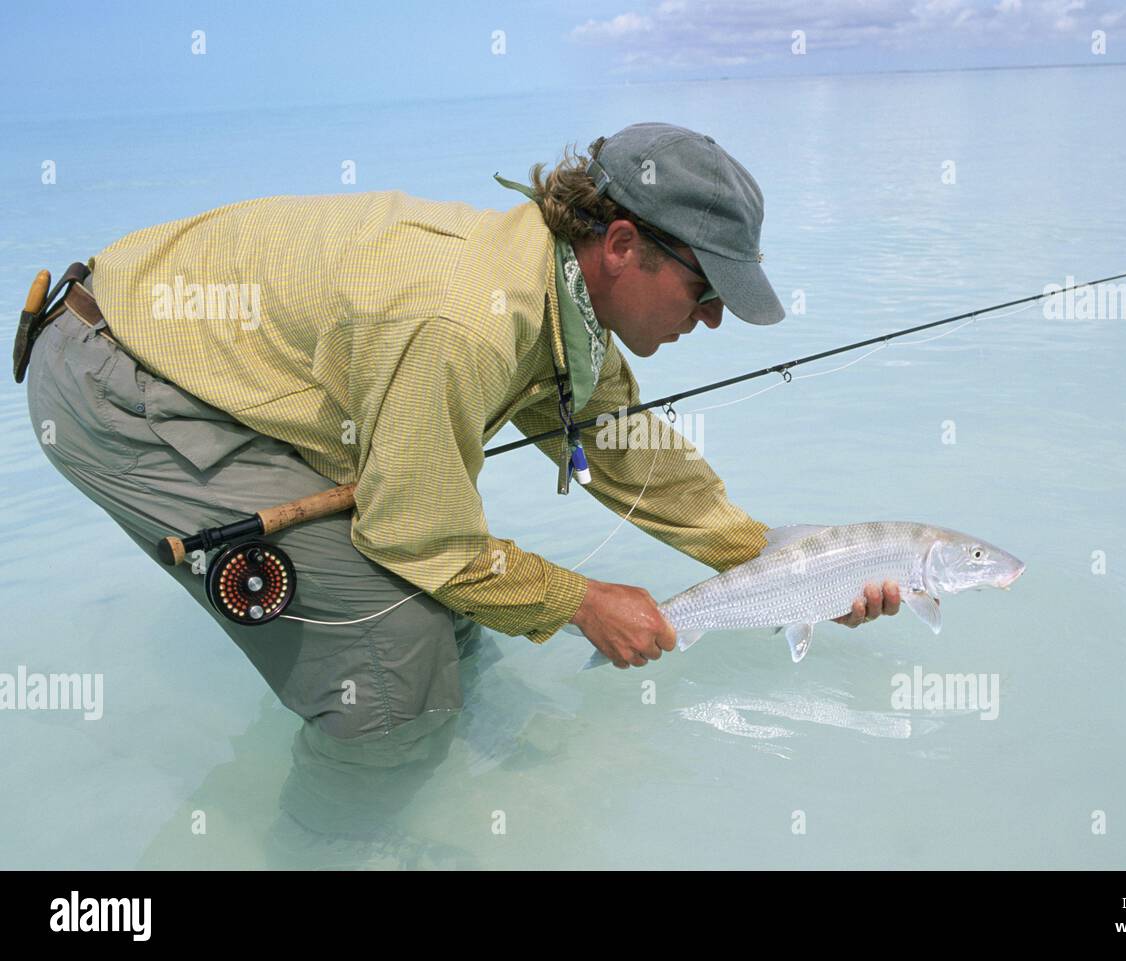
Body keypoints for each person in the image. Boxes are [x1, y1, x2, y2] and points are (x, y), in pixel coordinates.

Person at [19, 121, 899, 760]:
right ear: (624, 245)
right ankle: (347, 839)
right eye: (706, 291)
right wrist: (582, 600)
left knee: (456, 618)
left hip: (204, 363)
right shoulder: (466, 322)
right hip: (120, 381)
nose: (712, 321)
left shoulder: (557, 291)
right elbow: (417, 535)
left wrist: (794, 568)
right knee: (394, 658)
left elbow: (633, 458)